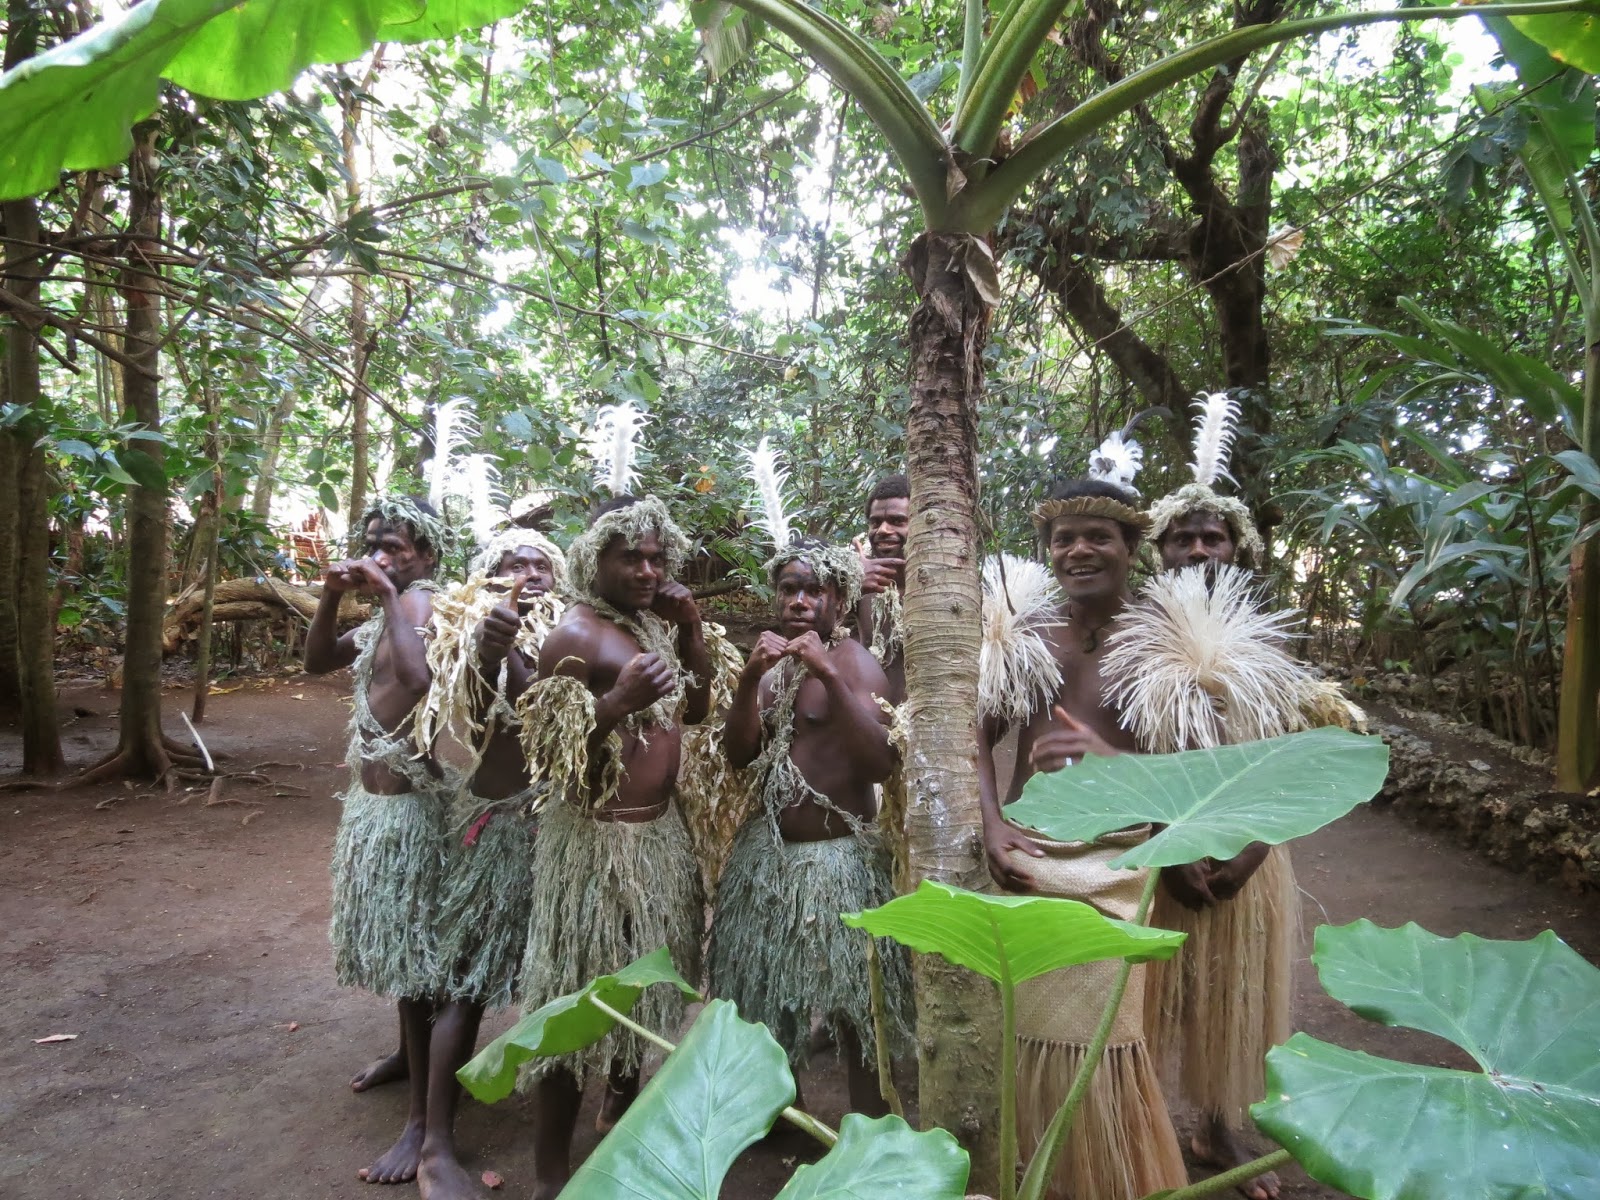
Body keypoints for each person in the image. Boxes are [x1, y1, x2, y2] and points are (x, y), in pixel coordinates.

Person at [1105, 390, 1336, 1200]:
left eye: (1213, 536)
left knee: (1227, 998)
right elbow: (1123, 749)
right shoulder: (1130, 632)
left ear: (1239, 548)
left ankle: (1216, 1123)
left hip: (1248, 849)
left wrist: (1251, 853)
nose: (1199, 548)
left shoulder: (1273, 638)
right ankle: (1133, 1124)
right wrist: (1165, 846)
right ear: (1160, 551)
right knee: (1143, 995)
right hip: (1155, 844)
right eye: (1183, 537)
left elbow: (1294, 758)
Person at [976, 477, 1188, 1200]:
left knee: (1105, 1042)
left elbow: (1201, 769)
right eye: (1064, 539)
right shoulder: (1024, 633)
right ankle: (1036, 1175)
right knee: (1023, 1036)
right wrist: (993, 822)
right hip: (1029, 854)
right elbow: (975, 735)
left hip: (1122, 861)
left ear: (1131, 548)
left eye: (1099, 536)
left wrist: (1113, 761)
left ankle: (1106, 1179)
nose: (1079, 550)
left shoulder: (1168, 640)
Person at [514, 494, 711, 1200]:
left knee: (645, 990)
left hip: (659, 838)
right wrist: (614, 704)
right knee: (574, 1002)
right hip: (596, 845)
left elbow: (696, 709)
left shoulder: (652, 625)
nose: (648, 571)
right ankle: (550, 1177)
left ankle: (619, 1114)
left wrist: (690, 631)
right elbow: (545, 757)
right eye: (631, 557)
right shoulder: (575, 635)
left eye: (657, 557)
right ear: (594, 558)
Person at [708, 538, 911, 1115]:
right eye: (789, 589)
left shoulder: (854, 662)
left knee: (859, 1006)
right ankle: (783, 1112)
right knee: (771, 994)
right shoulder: (771, 666)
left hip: (842, 857)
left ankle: (870, 1125)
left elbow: (880, 763)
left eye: (813, 590)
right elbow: (739, 754)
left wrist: (828, 673)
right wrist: (748, 679)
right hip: (771, 857)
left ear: (839, 599)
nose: (798, 601)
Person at [409, 529, 567, 1200]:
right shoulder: (469, 633)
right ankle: (434, 1144)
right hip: (497, 829)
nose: (528, 572)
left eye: (540, 563)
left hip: (561, 836)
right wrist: (488, 649)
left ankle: (583, 1122)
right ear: (489, 575)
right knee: (465, 981)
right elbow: (474, 710)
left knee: (560, 980)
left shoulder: (570, 633)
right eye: (513, 563)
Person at [303, 496, 451, 1186]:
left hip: (414, 812)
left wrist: (388, 593)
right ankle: (405, 1056)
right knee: (400, 950)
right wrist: (332, 597)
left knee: (417, 963)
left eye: (395, 546)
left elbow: (420, 681)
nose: (380, 556)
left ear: (427, 554)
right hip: (376, 809)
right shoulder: (387, 614)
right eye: (373, 544)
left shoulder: (425, 605)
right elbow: (315, 662)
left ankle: (423, 1123)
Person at [853, 474, 910, 705]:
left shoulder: (946, 588)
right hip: (869, 719)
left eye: (897, 521)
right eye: (875, 522)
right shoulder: (856, 584)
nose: (883, 530)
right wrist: (852, 585)